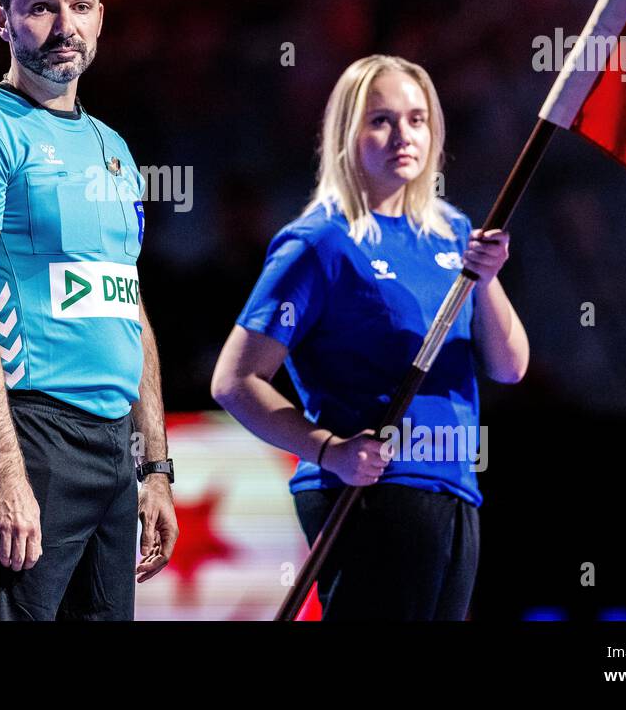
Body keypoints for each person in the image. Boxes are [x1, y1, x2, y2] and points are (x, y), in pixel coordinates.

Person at [0, 0, 178, 620]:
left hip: (114, 449)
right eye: (41, 7)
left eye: (81, 6)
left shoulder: (112, 147)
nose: (66, 27)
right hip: (30, 437)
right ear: (3, 22)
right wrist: (5, 473)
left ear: (100, 17)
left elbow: (131, 308)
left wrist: (153, 469)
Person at [211, 54, 529, 620]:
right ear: (346, 133)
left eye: (416, 118)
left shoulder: (455, 231)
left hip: (454, 490)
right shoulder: (319, 242)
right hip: (371, 493)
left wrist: (488, 281)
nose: (402, 135)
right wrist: (328, 451)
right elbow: (234, 381)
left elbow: (509, 367)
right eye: (380, 120)